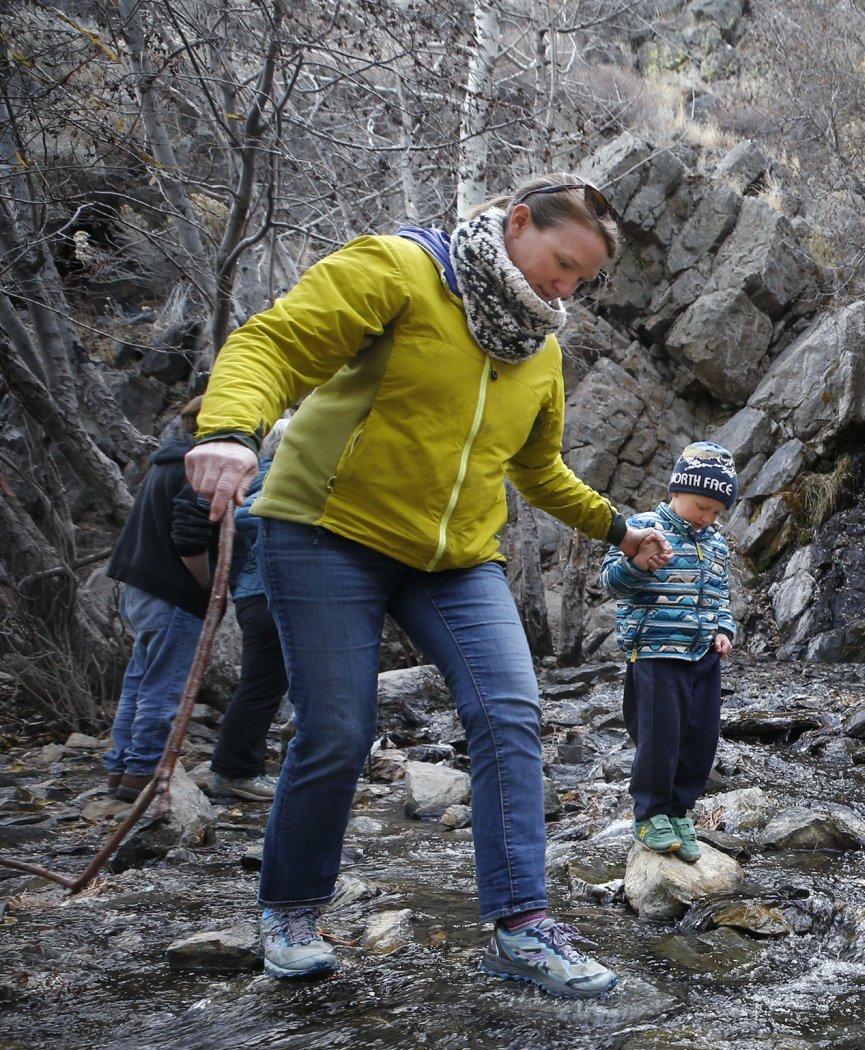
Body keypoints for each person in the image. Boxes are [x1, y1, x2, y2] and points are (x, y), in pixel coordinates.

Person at [184, 173, 671, 996]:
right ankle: (292, 908)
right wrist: (230, 431)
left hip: (454, 557)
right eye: (560, 264)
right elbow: (273, 346)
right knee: (338, 727)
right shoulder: (400, 270)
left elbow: (536, 466)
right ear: (517, 222)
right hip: (327, 529)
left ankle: (521, 926)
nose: (565, 288)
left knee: (509, 710)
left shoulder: (541, 347)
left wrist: (618, 527)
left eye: (581, 281)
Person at [601, 442, 738, 863]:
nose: (708, 518)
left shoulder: (715, 544)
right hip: (656, 651)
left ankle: (680, 812)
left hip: (702, 655)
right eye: (702, 507)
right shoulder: (641, 528)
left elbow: (719, 595)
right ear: (677, 490)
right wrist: (638, 565)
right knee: (660, 737)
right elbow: (611, 581)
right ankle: (650, 814)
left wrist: (722, 628)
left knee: (701, 737)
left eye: (717, 512)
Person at [104, 395, 224, 802]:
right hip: (172, 593)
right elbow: (189, 537)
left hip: (140, 588)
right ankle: (143, 776)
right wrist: (208, 587)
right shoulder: (202, 468)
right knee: (164, 686)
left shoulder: (169, 460)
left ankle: (121, 771)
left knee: (139, 682)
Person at [204, 453, 287, 801]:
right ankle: (233, 771)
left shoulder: (264, 474)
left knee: (265, 687)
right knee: (260, 687)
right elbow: (248, 516)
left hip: (261, 595)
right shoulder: (273, 474)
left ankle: (245, 768)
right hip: (266, 596)